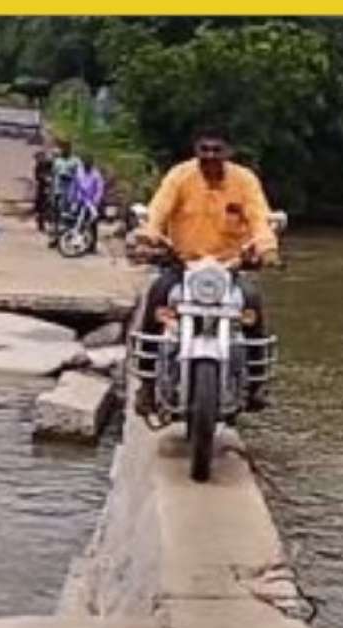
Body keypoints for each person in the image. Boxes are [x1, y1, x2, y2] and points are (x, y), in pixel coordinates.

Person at [132, 126, 281, 416]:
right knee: (157, 299)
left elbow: (260, 218)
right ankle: (147, 386)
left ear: (228, 152)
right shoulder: (180, 176)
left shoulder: (244, 181)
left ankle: (255, 385)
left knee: (252, 304)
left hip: (229, 268)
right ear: (196, 151)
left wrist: (266, 249)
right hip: (182, 264)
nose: (210, 156)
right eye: (205, 150)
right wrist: (149, 234)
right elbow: (159, 208)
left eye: (217, 150)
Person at [68, 155, 105, 251]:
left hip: (91, 203)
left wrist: (96, 202)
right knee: (77, 222)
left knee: (91, 224)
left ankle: (92, 245)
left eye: (88, 164)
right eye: (85, 164)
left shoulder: (96, 174)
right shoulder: (79, 172)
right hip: (80, 201)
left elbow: (99, 189)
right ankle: (76, 241)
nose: (86, 166)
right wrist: (72, 198)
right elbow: (74, 185)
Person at [49, 140, 82, 246]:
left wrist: (70, 177)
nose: (63, 150)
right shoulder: (57, 161)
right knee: (55, 217)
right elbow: (53, 176)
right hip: (57, 191)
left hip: (69, 192)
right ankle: (54, 238)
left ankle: (67, 238)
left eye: (66, 148)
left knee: (68, 217)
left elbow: (80, 177)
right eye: (62, 148)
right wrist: (51, 192)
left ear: (70, 149)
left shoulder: (76, 161)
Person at [32, 150, 54, 231]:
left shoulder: (51, 165)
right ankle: (41, 223)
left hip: (51, 188)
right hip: (42, 188)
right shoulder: (38, 166)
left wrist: (50, 179)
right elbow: (37, 177)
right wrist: (44, 178)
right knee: (41, 206)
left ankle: (50, 221)